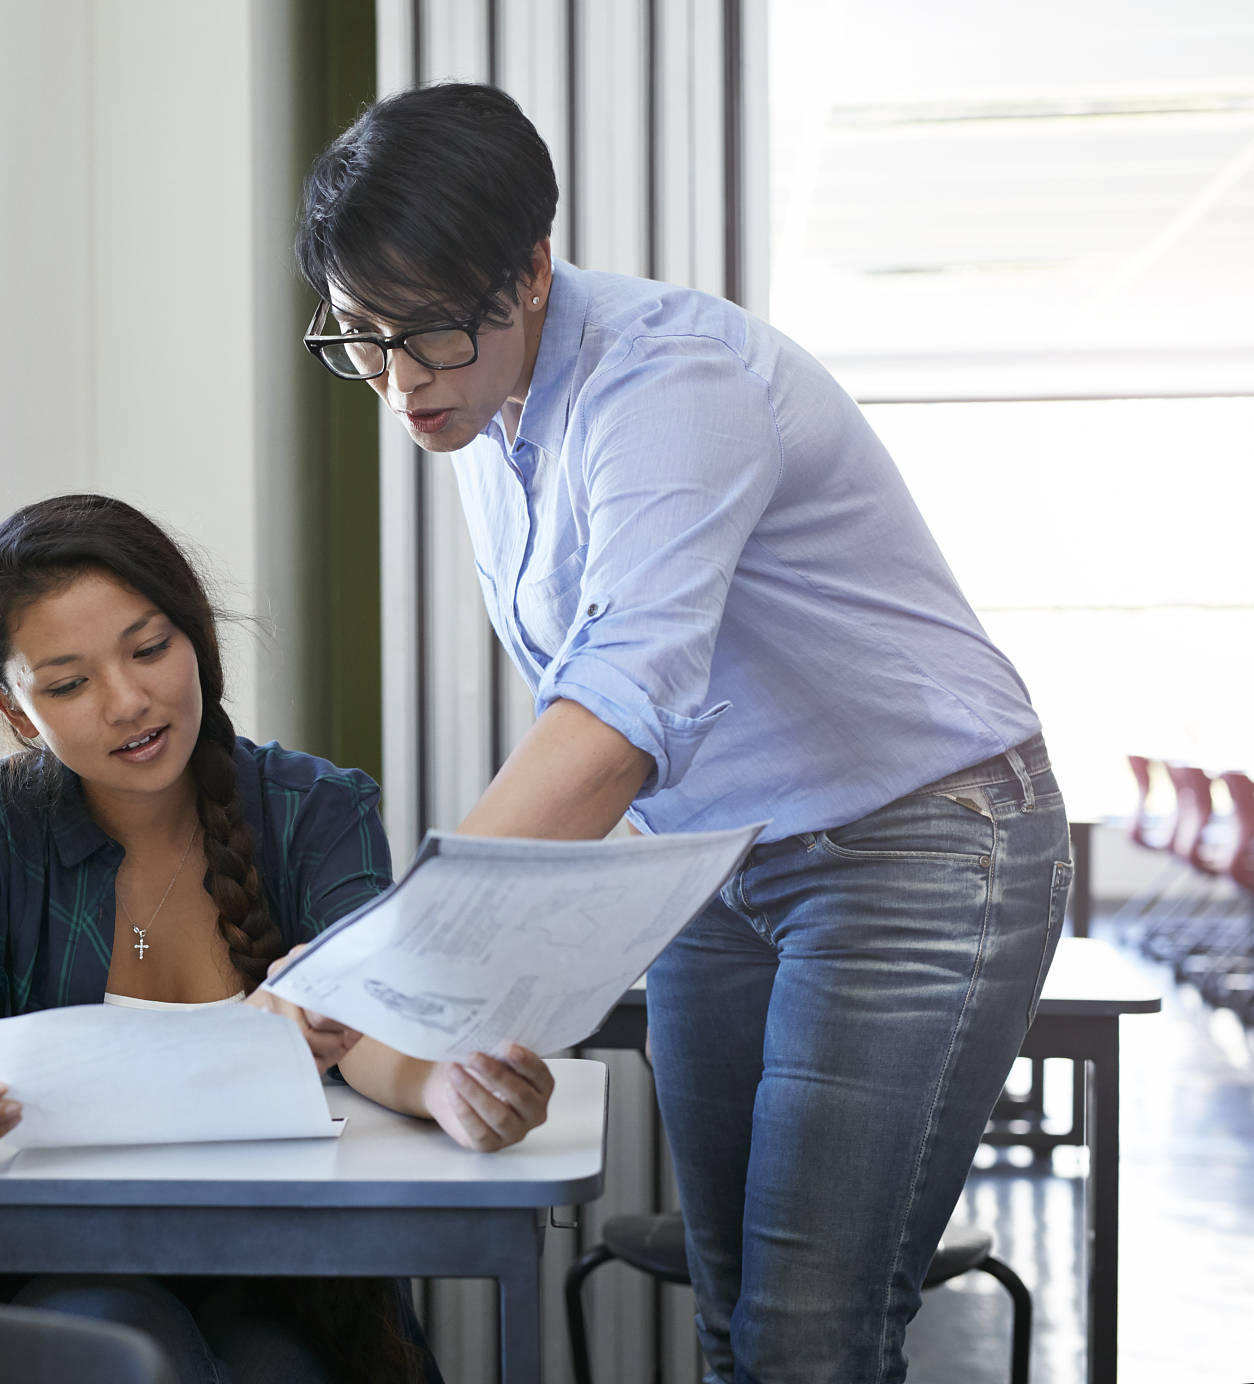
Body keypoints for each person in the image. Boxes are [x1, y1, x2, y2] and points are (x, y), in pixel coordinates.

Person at [295, 84, 1070, 1383]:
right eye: (361, 338)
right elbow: (583, 703)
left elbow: (617, 716)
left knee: (807, 1340)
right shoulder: (480, 411)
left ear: (530, 270)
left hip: (918, 840)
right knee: (728, 1315)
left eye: (426, 331)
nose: (399, 380)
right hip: (718, 859)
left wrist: (392, 956)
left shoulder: (667, 383)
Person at [0, 494, 551, 1384]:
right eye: (68, 684)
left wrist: (450, 1086)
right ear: (11, 706)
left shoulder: (316, 810)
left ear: (196, 635)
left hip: (294, 1269)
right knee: (116, 1342)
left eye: (149, 650)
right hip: (56, 1262)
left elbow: (368, 1023)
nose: (128, 703)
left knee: (273, 1366)